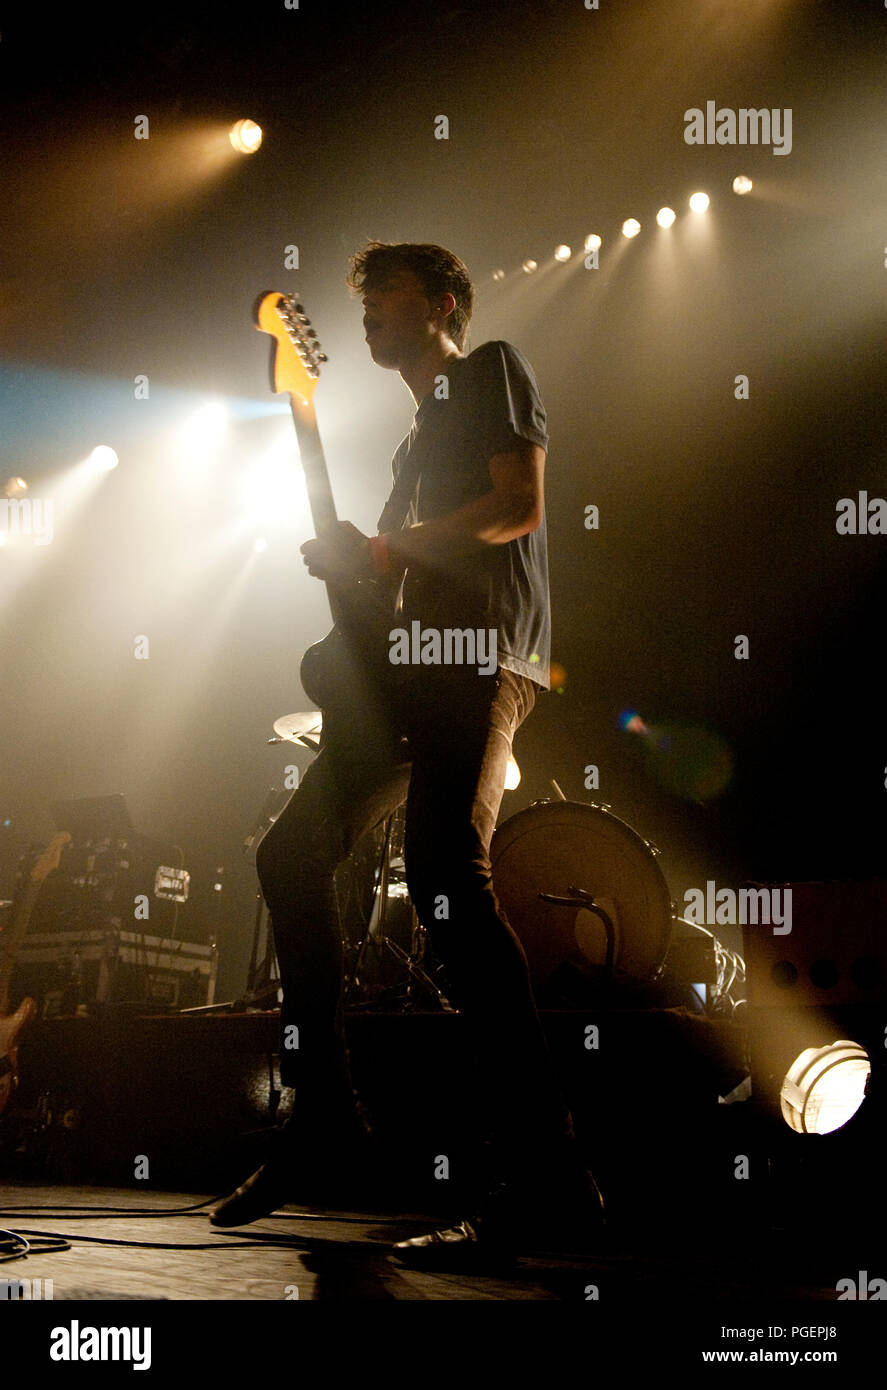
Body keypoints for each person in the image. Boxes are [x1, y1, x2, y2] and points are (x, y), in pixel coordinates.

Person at [210, 242, 603, 1261]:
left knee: (442, 876)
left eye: (381, 298)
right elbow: (384, 588)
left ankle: (546, 1176)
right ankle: (324, 1113)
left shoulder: (489, 371)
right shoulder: (405, 454)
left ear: (437, 304)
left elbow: (516, 506)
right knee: (286, 857)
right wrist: (353, 563)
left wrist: (386, 547)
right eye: (362, 306)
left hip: (481, 659)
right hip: (405, 680)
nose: (368, 316)